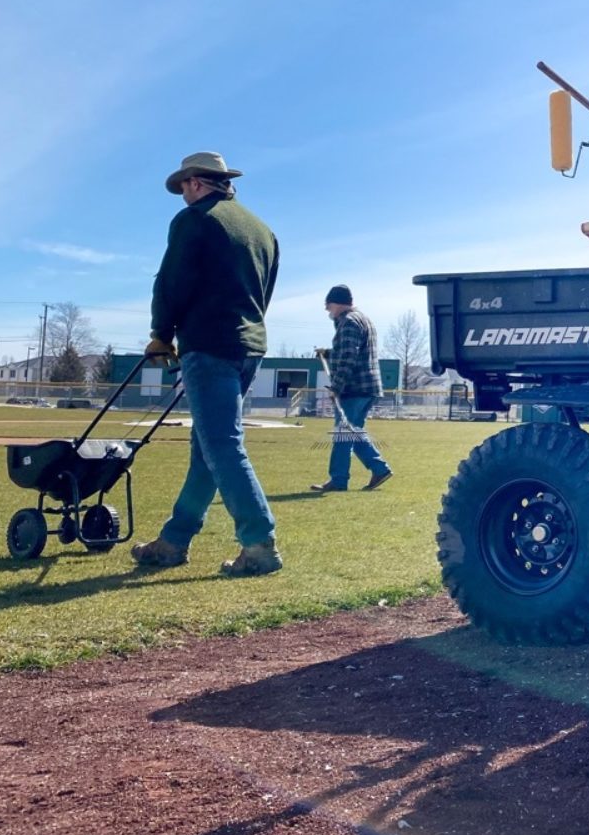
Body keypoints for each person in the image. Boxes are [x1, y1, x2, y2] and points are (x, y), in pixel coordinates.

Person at [130, 151, 284, 577]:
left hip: (209, 344)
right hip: (249, 345)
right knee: (207, 450)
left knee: (222, 446)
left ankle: (259, 543)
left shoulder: (194, 220)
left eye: (183, 187)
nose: (183, 195)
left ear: (196, 183)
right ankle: (174, 540)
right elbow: (265, 292)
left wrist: (162, 333)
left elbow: (172, 281)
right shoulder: (262, 230)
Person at [310, 284, 395, 493]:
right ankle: (379, 469)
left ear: (338, 303)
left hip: (355, 388)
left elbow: (349, 357)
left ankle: (339, 480)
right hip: (367, 387)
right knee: (352, 433)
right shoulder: (362, 319)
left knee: (342, 435)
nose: (327, 309)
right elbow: (351, 351)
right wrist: (328, 353)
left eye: (328, 304)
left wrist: (336, 387)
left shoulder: (348, 322)